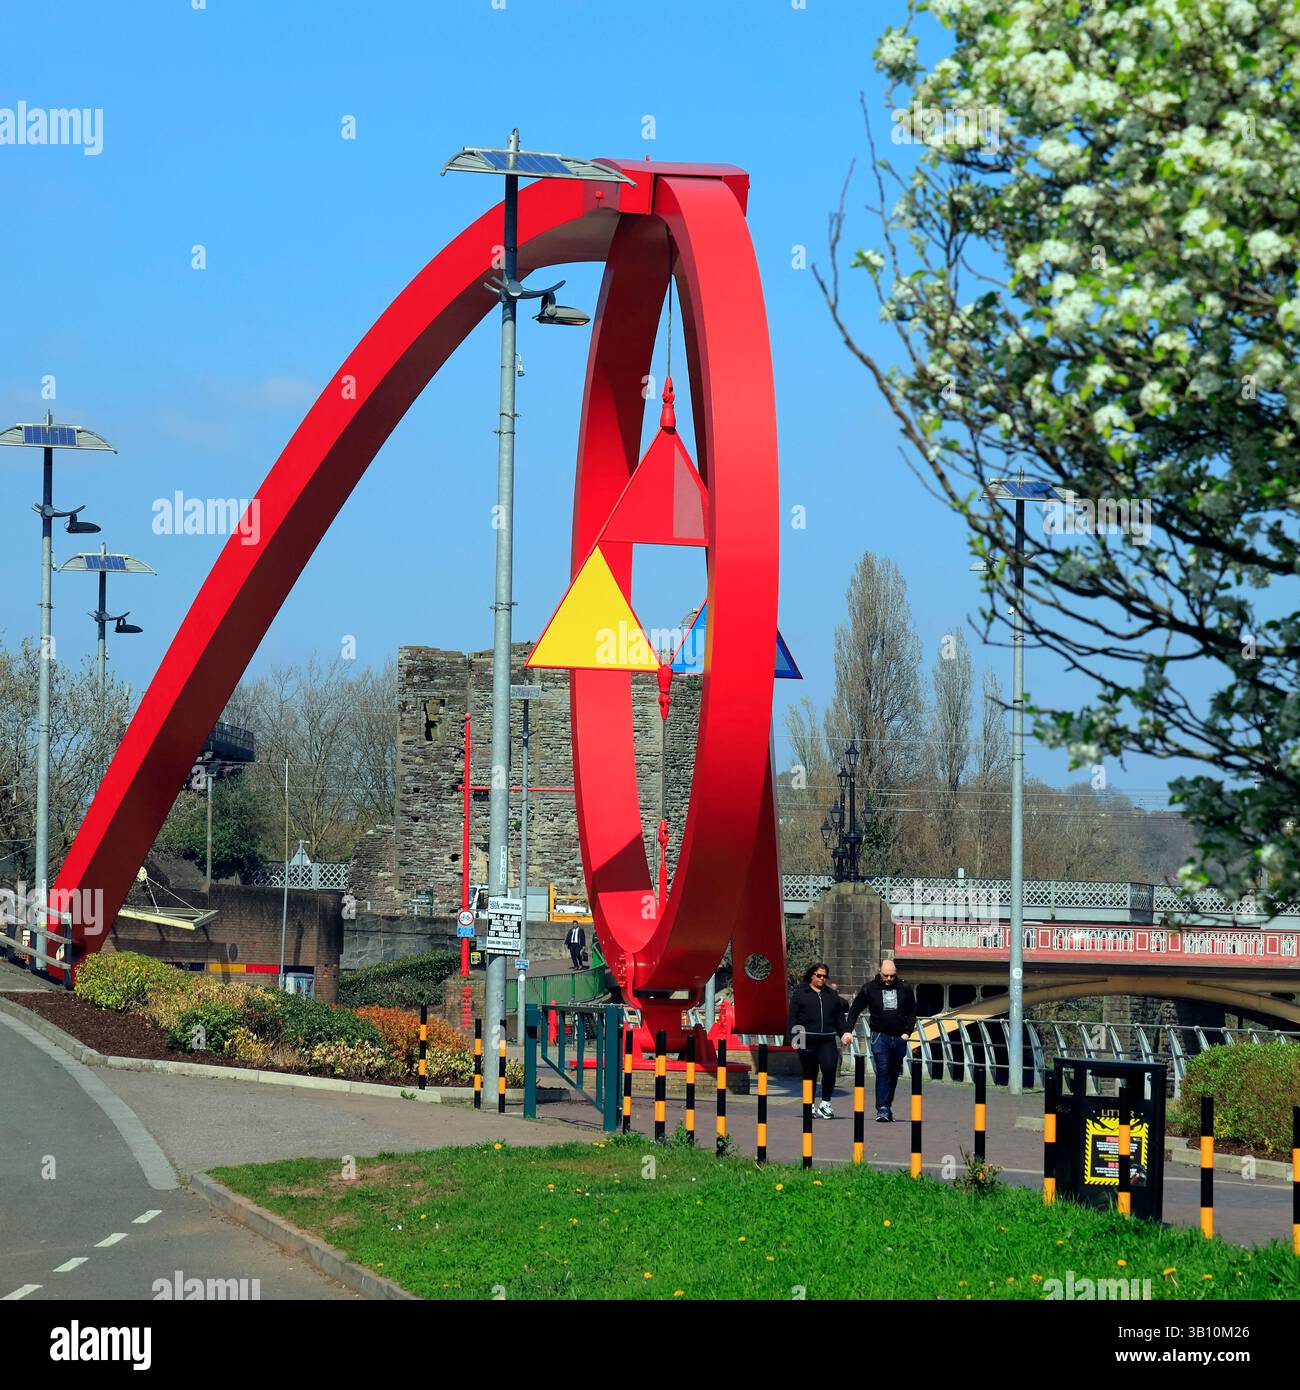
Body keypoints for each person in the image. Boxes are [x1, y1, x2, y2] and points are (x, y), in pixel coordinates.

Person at [846, 959, 916, 1122]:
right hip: (880, 1036)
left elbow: (912, 1011)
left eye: (892, 976)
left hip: (899, 1037)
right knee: (883, 1070)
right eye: (886, 975)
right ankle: (882, 1108)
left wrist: (907, 1032)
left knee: (893, 1073)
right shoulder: (869, 988)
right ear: (880, 972)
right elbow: (855, 1009)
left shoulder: (905, 987)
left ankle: (887, 1105)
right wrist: (847, 1031)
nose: (889, 979)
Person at [786, 963, 853, 1119]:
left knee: (830, 1069)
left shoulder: (831, 995)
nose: (822, 979)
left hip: (827, 1039)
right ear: (812, 975)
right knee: (810, 1073)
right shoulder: (801, 994)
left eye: (824, 976)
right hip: (805, 1038)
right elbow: (792, 1018)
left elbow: (839, 1018)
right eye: (819, 975)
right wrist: (792, 1040)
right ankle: (809, 1105)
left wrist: (845, 1033)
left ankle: (825, 1103)